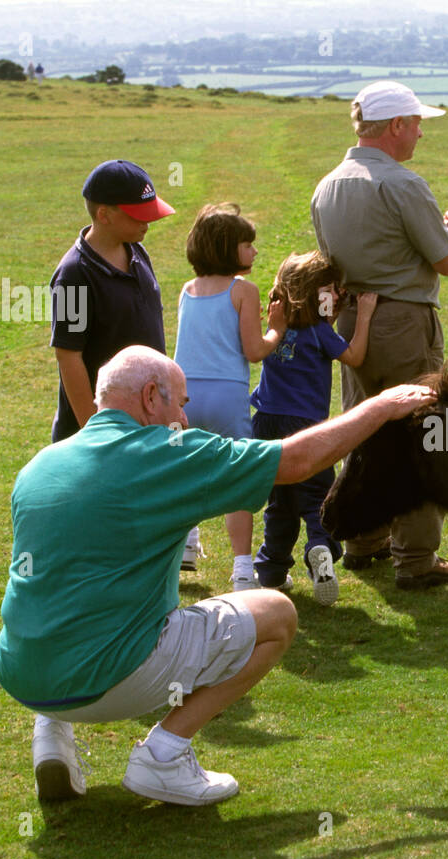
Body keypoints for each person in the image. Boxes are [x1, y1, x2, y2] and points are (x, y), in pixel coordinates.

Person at [0, 346, 436, 805]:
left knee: (63, 603)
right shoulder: (168, 453)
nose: (184, 421)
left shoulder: (39, 465)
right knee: (277, 614)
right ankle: (163, 756)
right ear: (150, 397)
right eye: (180, 405)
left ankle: (51, 737)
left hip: (24, 677)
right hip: (109, 680)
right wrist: (381, 406)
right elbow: (297, 461)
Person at [310, 80, 448, 590]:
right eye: (417, 122)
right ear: (396, 125)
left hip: (350, 324)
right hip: (404, 323)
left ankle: (362, 538)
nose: (421, 133)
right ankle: (417, 558)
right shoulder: (404, 184)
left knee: (363, 427)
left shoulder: (326, 185)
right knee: (422, 432)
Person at [250, 251, 376, 606]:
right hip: (305, 428)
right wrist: (363, 316)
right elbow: (355, 357)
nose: (336, 296)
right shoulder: (320, 332)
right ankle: (320, 547)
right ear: (311, 294)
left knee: (280, 502)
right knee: (317, 496)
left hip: (265, 423)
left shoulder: (277, 329)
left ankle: (272, 571)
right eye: (330, 291)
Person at [174, 204, 286, 592]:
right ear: (227, 249)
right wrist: (277, 329)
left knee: (186, 473)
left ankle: (185, 547)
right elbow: (254, 350)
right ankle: (241, 569)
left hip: (184, 396)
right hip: (227, 395)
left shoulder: (187, 292)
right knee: (239, 476)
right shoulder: (244, 291)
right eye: (247, 245)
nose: (254, 252)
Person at [48, 159, 174, 444]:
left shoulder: (138, 253)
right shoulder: (74, 275)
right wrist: (94, 433)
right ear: (104, 214)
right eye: (138, 216)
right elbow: (68, 356)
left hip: (145, 421)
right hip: (102, 433)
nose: (148, 223)